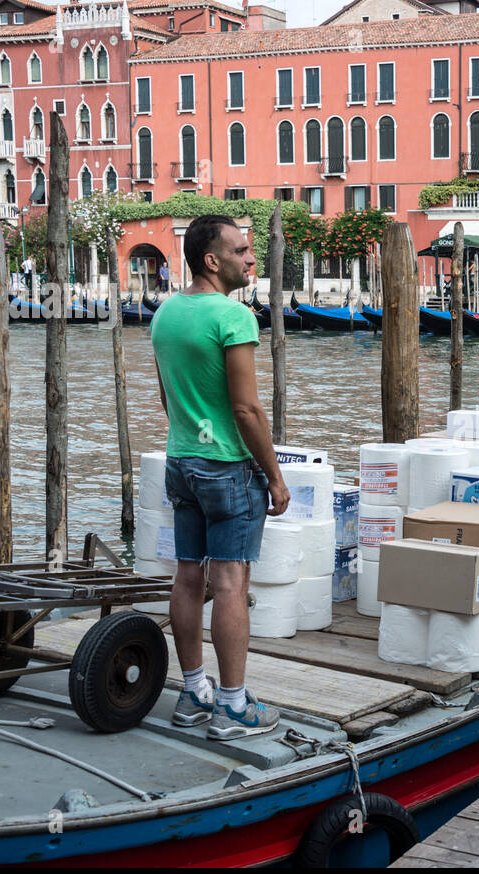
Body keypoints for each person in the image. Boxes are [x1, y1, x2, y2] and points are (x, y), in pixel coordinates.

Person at [151, 215, 290, 739]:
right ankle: (231, 707)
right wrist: (274, 477)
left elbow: (166, 398)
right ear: (213, 261)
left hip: (181, 462)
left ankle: (192, 692)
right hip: (228, 469)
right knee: (230, 583)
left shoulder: (166, 315)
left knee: (189, 577)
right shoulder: (234, 318)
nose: (251, 258)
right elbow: (247, 410)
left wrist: (194, 439)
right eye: (241, 251)